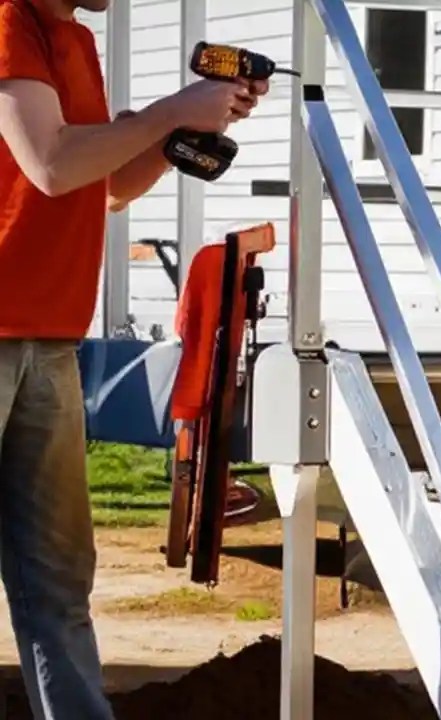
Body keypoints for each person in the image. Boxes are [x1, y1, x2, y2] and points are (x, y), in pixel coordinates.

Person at [0, 0, 268, 716]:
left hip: (50, 339)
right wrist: (171, 108)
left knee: (58, 579)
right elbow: (52, 165)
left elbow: (106, 183)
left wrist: (185, 125)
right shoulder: (6, 21)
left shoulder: (74, 40)